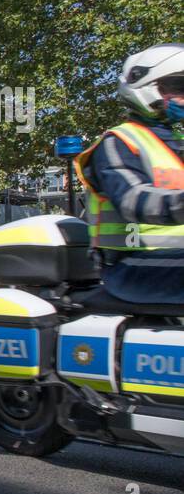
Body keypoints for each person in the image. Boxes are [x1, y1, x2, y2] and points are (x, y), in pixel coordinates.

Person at [74, 44, 184, 303]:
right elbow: (132, 200)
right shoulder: (119, 141)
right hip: (130, 266)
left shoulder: (178, 141)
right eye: (178, 87)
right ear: (147, 87)